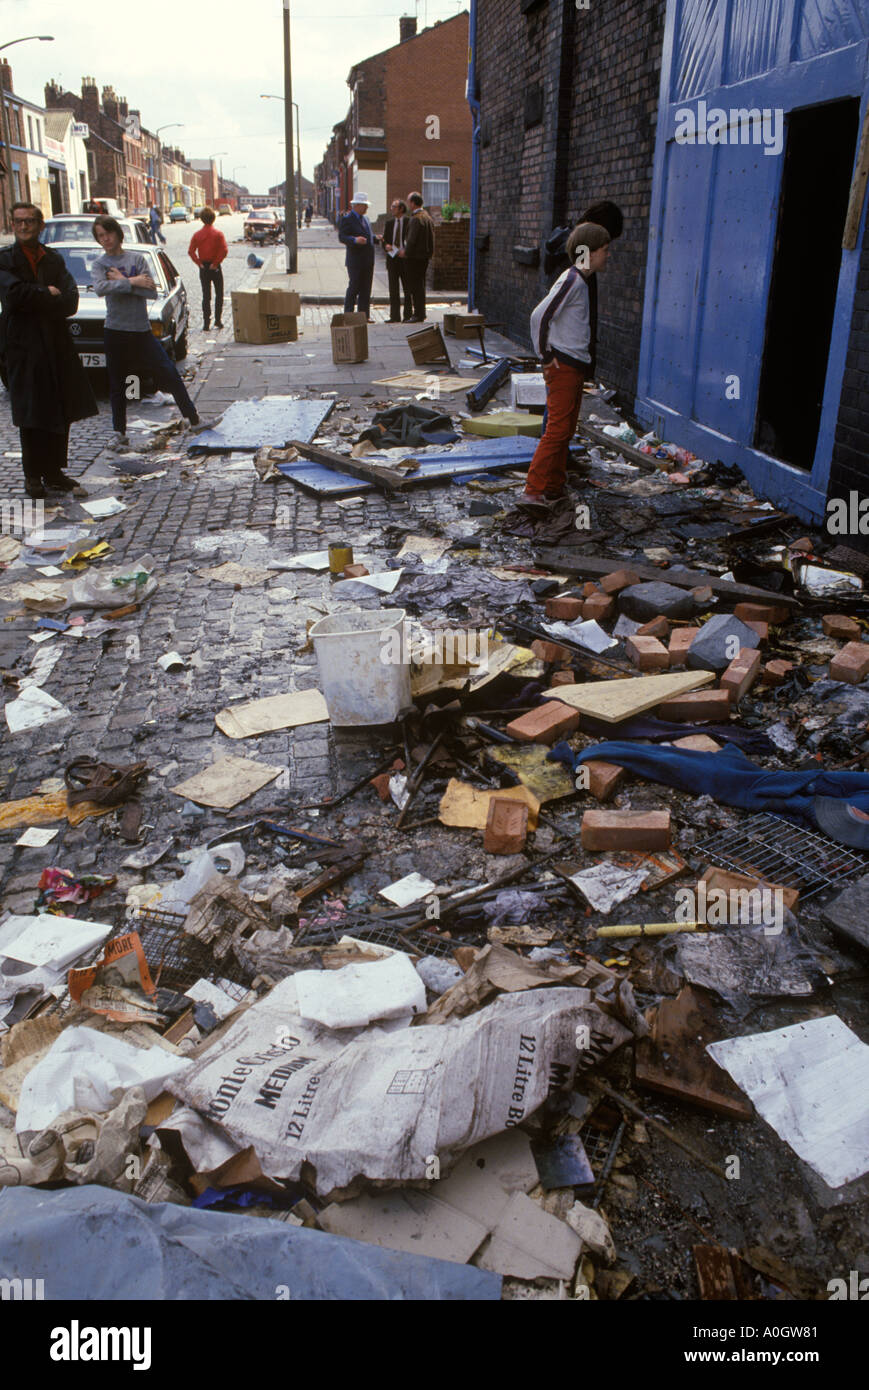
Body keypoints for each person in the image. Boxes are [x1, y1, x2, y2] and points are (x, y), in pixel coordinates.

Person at [0, 202, 97, 499]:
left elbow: (70, 300)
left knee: (59, 408)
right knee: (31, 413)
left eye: (30, 221)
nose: (24, 226)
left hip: (55, 346)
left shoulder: (52, 259)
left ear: (40, 225)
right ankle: (33, 476)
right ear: (13, 225)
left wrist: (40, 298)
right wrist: (46, 293)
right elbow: (14, 296)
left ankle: (54, 472)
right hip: (23, 348)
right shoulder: (5, 260)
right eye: (19, 222)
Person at [90, 215, 204, 450]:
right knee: (118, 384)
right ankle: (119, 433)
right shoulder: (100, 265)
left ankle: (194, 420)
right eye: (100, 236)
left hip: (141, 330)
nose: (105, 239)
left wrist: (122, 281)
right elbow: (101, 289)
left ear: (117, 233)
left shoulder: (137, 258)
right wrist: (133, 282)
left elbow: (151, 293)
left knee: (169, 372)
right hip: (115, 330)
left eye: (108, 233)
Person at [519, 221, 611, 509]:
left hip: (574, 365)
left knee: (565, 428)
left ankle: (555, 485)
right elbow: (539, 316)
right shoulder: (571, 280)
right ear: (590, 252)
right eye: (605, 250)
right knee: (557, 430)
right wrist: (545, 357)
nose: (608, 255)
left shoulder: (580, 280)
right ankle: (533, 490)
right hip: (563, 366)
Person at [188, 207, 228, 330]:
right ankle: (218, 320)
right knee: (219, 293)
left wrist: (199, 263)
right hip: (214, 266)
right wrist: (216, 263)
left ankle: (206, 323)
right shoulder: (218, 234)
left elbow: (191, 251)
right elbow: (224, 250)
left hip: (203, 266)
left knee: (206, 295)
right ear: (213, 219)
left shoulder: (197, 235)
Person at [338, 194, 375, 320]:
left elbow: (368, 236)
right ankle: (348, 315)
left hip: (368, 260)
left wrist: (376, 239)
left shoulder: (366, 219)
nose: (366, 209)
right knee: (354, 287)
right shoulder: (347, 219)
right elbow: (342, 237)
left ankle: (364, 316)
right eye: (364, 206)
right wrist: (354, 240)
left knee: (366, 289)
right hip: (355, 261)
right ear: (357, 205)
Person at [399, 191, 434, 322]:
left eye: (409, 202)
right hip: (424, 257)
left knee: (415, 287)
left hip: (414, 258)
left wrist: (405, 252)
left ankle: (417, 314)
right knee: (421, 286)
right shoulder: (427, 217)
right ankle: (421, 312)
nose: (408, 204)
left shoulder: (416, 218)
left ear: (413, 203)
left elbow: (411, 240)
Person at [379, 198, 411, 322]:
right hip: (392, 259)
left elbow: (412, 240)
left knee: (407, 289)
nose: (391, 209)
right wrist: (385, 245)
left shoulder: (409, 222)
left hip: (404, 259)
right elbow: (385, 240)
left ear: (401, 209)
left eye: (394, 206)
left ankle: (408, 315)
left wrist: (406, 251)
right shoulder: (389, 223)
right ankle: (395, 316)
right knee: (393, 290)